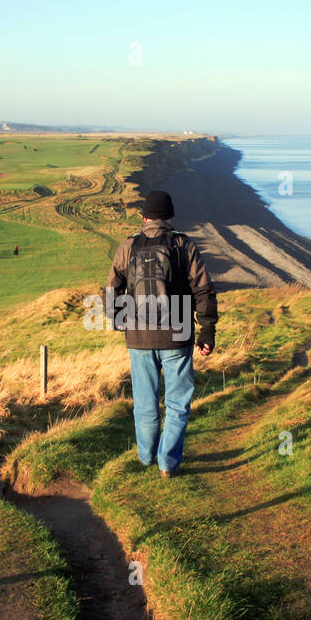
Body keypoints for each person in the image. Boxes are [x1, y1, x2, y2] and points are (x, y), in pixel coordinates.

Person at [106, 189, 216, 478]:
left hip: (139, 334)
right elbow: (203, 289)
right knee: (177, 403)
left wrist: (118, 319)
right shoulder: (183, 245)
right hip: (177, 334)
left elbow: (112, 288)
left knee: (144, 403)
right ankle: (167, 462)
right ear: (170, 217)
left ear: (144, 217)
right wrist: (207, 331)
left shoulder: (128, 246)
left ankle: (145, 457)